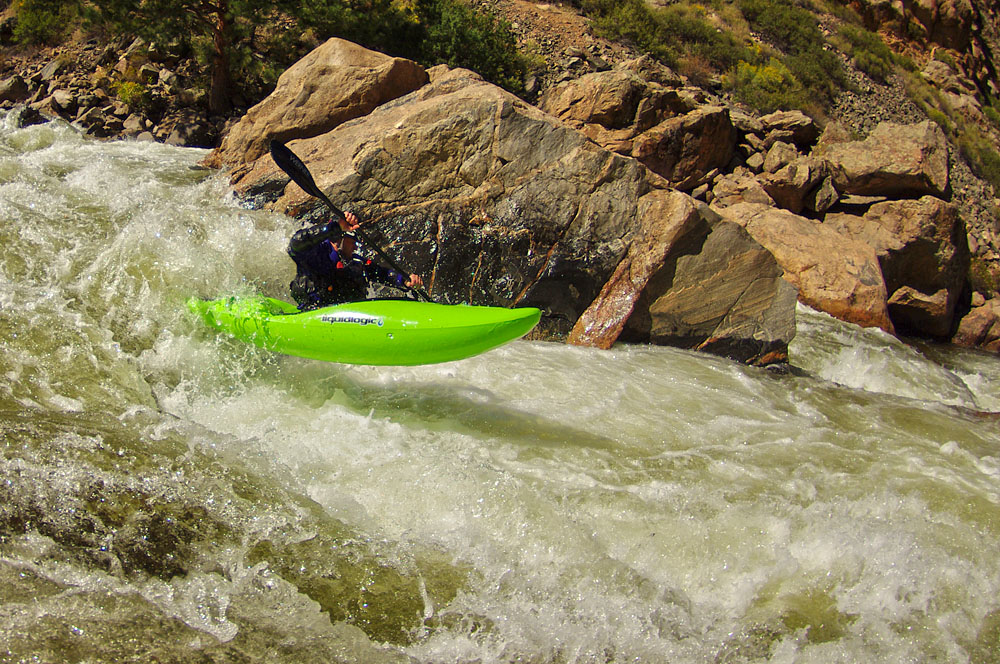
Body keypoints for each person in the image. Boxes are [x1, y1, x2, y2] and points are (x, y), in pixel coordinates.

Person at [287, 211, 424, 311]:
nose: (356, 246)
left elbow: (384, 274)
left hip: (348, 319)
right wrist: (335, 228)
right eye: (353, 241)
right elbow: (296, 243)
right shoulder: (317, 252)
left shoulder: (357, 263)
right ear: (340, 239)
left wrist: (406, 280)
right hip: (313, 312)